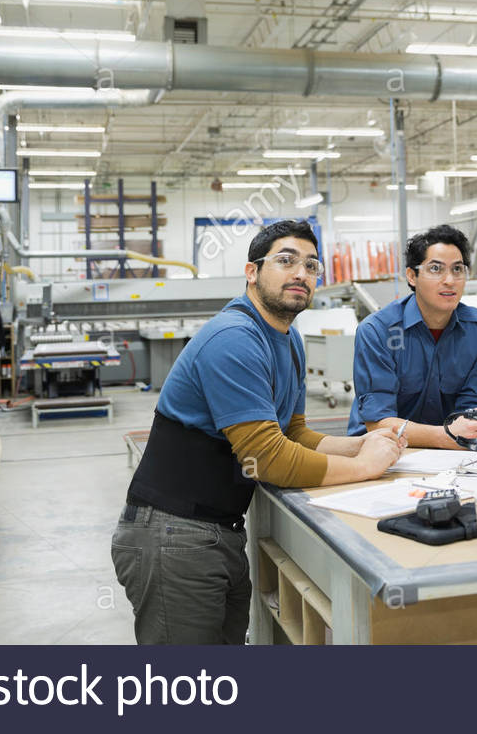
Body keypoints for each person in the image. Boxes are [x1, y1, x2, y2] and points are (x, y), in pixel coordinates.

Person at [112, 219, 405, 644]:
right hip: (174, 535)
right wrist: (364, 468)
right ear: (252, 272)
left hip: (219, 531)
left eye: (311, 265)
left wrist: (357, 444)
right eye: (286, 260)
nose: (301, 273)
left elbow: (293, 433)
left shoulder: (288, 340)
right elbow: (268, 458)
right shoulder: (235, 338)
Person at [347, 224, 477, 450]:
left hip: (452, 455)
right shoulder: (378, 331)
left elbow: (473, 418)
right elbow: (378, 423)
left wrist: (460, 435)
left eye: (457, 269)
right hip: (382, 451)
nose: (449, 280)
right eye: (436, 269)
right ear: (412, 276)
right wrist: (448, 435)